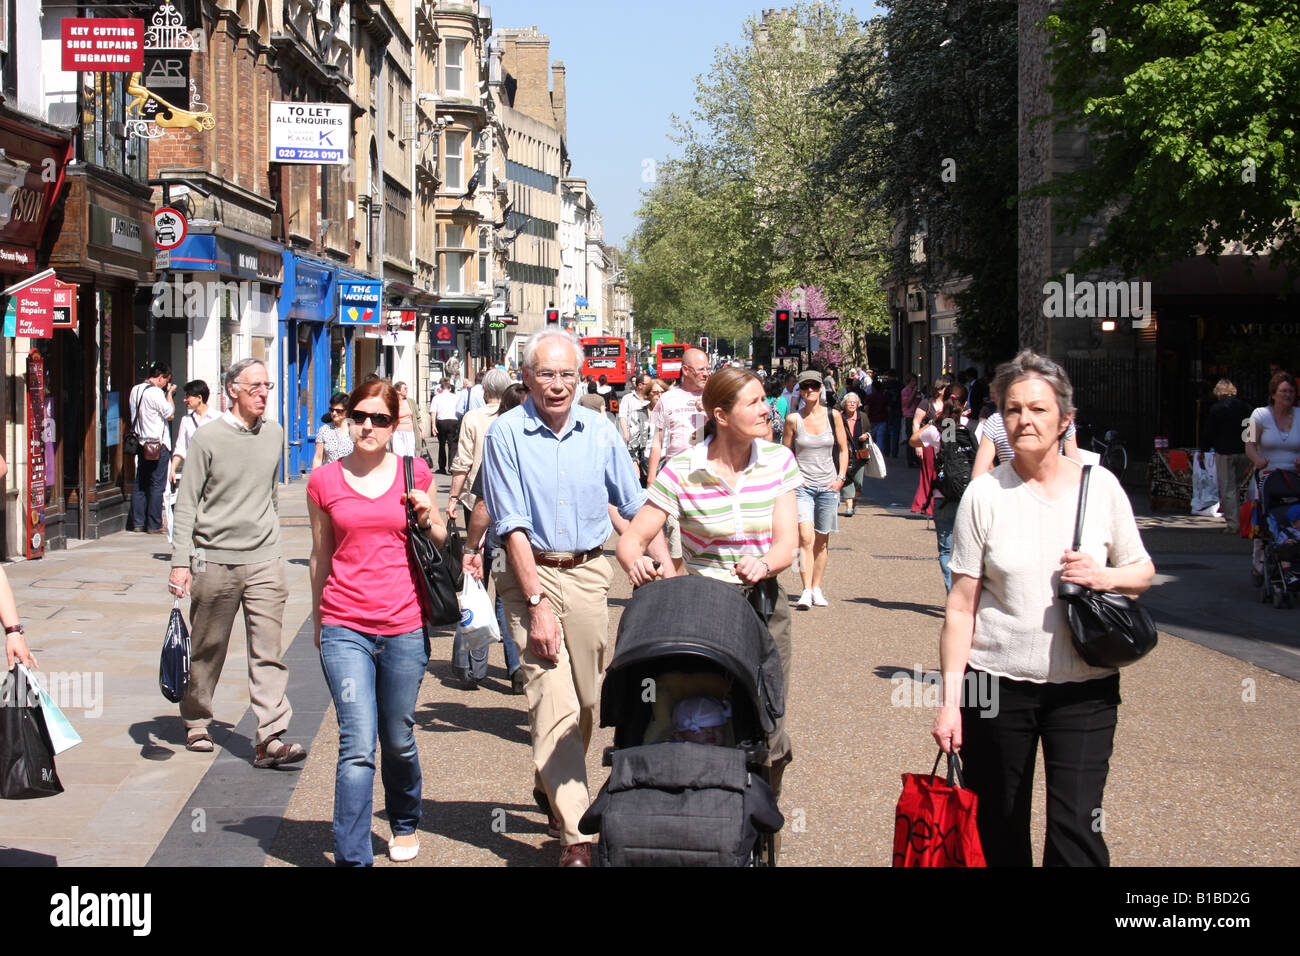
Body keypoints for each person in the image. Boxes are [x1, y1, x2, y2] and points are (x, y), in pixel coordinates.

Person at [931, 351, 1155, 867]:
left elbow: (1141, 571)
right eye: (1013, 410)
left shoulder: (1100, 488)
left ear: (1065, 420)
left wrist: (1103, 576)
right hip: (995, 683)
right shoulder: (985, 495)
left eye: (1037, 409)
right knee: (999, 826)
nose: (1024, 420)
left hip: (1085, 687)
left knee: (1077, 829)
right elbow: (961, 607)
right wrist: (949, 702)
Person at [481, 329, 660, 867]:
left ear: (578, 378)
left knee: (586, 701)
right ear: (527, 378)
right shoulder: (505, 434)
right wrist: (535, 601)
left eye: (566, 375)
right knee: (549, 697)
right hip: (528, 574)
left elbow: (632, 503)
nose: (557, 386)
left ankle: (551, 779)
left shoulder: (600, 430)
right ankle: (578, 836)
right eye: (546, 374)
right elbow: (510, 525)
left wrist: (663, 558)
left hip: (588, 574)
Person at [617, 366, 799, 796]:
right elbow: (633, 539)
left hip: (763, 605)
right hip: (704, 612)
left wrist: (765, 564)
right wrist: (636, 563)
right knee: (705, 712)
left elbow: (787, 542)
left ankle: (761, 812)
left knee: (768, 720)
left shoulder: (778, 461)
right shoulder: (682, 470)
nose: (765, 410)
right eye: (752, 402)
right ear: (720, 414)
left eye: (764, 400)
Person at [307, 380, 446, 866]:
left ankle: (404, 820)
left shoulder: (415, 472)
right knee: (357, 744)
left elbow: (441, 536)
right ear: (347, 420)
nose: (368, 426)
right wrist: (319, 621)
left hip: (404, 623)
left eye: (380, 418)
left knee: (397, 736)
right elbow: (320, 554)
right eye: (360, 416)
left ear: (394, 423)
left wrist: (428, 516)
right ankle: (353, 856)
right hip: (345, 624)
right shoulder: (323, 480)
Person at [168, 359, 305, 768]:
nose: (264, 393)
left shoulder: (275, 434)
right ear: (232, 390)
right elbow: (187, 503)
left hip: (265, 559)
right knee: (208, 647)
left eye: (268, 386)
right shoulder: (208, 438)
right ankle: (196, 720)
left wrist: (274, 540)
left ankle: (271, 736)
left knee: (268, 650)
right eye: (255, 387)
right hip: (215, 560)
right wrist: (180, 563)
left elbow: (269, 496)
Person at [445, 368, 520, 690]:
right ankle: (516, 669)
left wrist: (451, 498)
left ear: (484, 390)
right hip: (505, 522)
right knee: (505, 592)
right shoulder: (520, 419)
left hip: (477, 513)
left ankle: (470, 667)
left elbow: (461, 464)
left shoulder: (474, 419)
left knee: (474, 586)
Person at [784, 370, 848, 608]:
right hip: (803, 487)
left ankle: (817, 587)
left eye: (814, 386)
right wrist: (795, 479)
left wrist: (840, 478)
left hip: (829, 485)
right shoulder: (793, 419)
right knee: (804, 537)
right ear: (799, 390)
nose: (809, 390)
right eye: (804, 386)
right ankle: (804, 589)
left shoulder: (834, 416)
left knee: (822, 540)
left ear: (822, 388)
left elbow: (843, 448)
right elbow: (785, 453)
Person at [647, 347, 711, 573]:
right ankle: (673, 586)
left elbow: (730, 433)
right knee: (675, 542)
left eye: (708, 369)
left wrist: (710, 413)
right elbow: (657, 441)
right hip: (676, 479)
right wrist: (652, 479)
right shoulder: (668, 399)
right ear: (686, 370)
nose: (706, 374)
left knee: (705, 540)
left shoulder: (714, 397)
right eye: (701, 370)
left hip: (707, 478)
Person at [909, 383, 970, 590]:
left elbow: (913, 441)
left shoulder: (938, 428)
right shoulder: (975, 426)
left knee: (946, 550)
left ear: (944, 403)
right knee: (969, 548)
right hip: (969, 492)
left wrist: (934, 421)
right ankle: (968, 595)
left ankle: (952, 593)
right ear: (966, 403)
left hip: (943, 492)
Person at [1245, 371, 1299, 585]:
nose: (1288, 395)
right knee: (1265, 518)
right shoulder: (1259, 415)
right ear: (1274, 394)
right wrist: (1257, 459)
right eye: (1284, 391)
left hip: (1295, 478)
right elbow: (1249, 444)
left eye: (1291, 391)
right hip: (1267, 475)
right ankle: (1258, 564)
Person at [1199, 378, 1252, 535]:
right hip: (1244, 451)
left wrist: (1203, 449)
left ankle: (1233, 523)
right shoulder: (1246, 407)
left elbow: (1209, 432)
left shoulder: (1217, 409)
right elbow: (1252, 427)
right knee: (1237, 485)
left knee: (1228, 487)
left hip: (1225, 452)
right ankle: (1241, 519)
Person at [129, 361, 177, 533]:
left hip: (141, 442)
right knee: (157, 484)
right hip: (157, 443)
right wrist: (169, 394)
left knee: (140, 483)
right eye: (166, 380)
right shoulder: (156, 393)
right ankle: (154, 524)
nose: (166, 384)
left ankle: (138, 522)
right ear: (160, 377)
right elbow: (170, 414)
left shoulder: (135, 390)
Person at [619, 373, 654, 484]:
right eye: (648, 384)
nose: (651, 386)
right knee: (634, 467)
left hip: (650, 438)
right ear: (640, 385)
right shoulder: (628, 398)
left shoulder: (652, 398)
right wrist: (626, 433)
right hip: (633, 438)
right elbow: (622, 416)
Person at [838, 392, 869, 517]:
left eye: (854, 402)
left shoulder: (863, 417)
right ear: (844, 404)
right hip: (845, 452)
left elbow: (869, 431)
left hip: (860, 453)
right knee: (847, 479)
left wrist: (866, 435)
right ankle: (849, 507)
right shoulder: (839, 417)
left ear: (858, 404)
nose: (851, 404)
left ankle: (853, 500)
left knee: (858, 482)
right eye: (849, 402)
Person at [313, 392, 354, 469]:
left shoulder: (355, 428)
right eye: (332, 410)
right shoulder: (324, 430)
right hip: (330, 476)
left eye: (339, 411)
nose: (334, 413)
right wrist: (314, 478)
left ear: (347, 411)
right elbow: (318, 458)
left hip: (351, 476)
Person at [432, 380, 460, 474]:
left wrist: (433, 426)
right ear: (450, 388)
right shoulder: (456, 397)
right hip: (453, 421)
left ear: (441, 389)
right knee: (453, 445)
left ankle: (442, 467)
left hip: (441, 421)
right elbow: (459, 410)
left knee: (442, 444)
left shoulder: (436, 398)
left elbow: (433, 412)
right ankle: (452, 467)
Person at [391, 382, 416, 457]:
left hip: (409, 432)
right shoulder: (393, 403)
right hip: (397, 432)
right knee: (398, 454)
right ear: (398, 391)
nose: (407, 390)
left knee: (410, 454)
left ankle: (410, 468)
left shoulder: (410, 401)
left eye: (407, 388)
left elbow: (418, 417)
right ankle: (401, 468)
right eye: (405, 388)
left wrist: (422, 430)